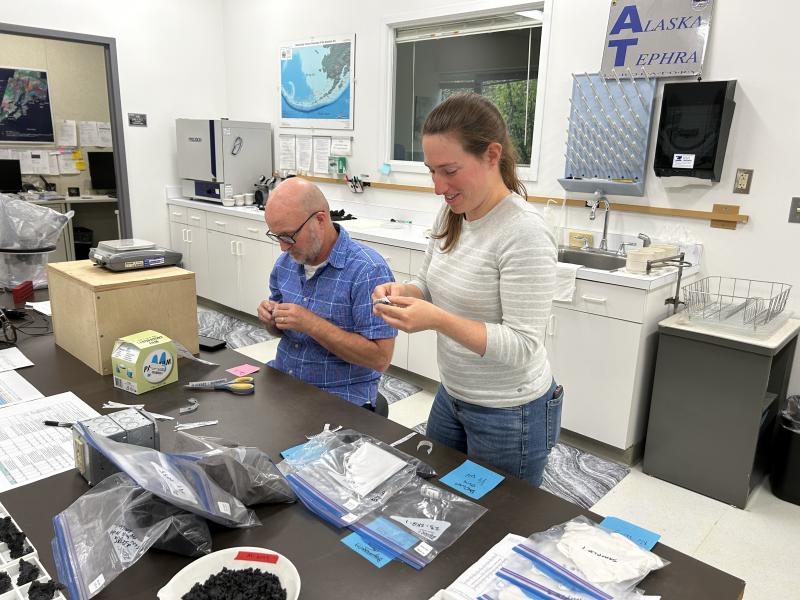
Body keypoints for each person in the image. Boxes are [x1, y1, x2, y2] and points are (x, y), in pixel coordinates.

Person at [372, 93, 562, 486]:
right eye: (431, 171)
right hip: (453, 395)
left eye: (450, 170)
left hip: (509, 412)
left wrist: (437, 320)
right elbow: (427, 283)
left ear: (492, 155)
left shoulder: (523, 231)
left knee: (497, 525)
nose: (439, 186)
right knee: (437, 498)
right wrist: (404, 290)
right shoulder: (454, 212)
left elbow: (523, 343)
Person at [257, 178, 396, 409]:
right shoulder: (286, 263)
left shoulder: (368, 271)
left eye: (288, 236)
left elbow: (380, 359)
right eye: (276, 236)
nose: (282, 247)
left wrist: (311, 324)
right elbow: (279, 331)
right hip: (285, 381)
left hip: (339, 396)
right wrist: (271, 320)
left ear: (320, 220)